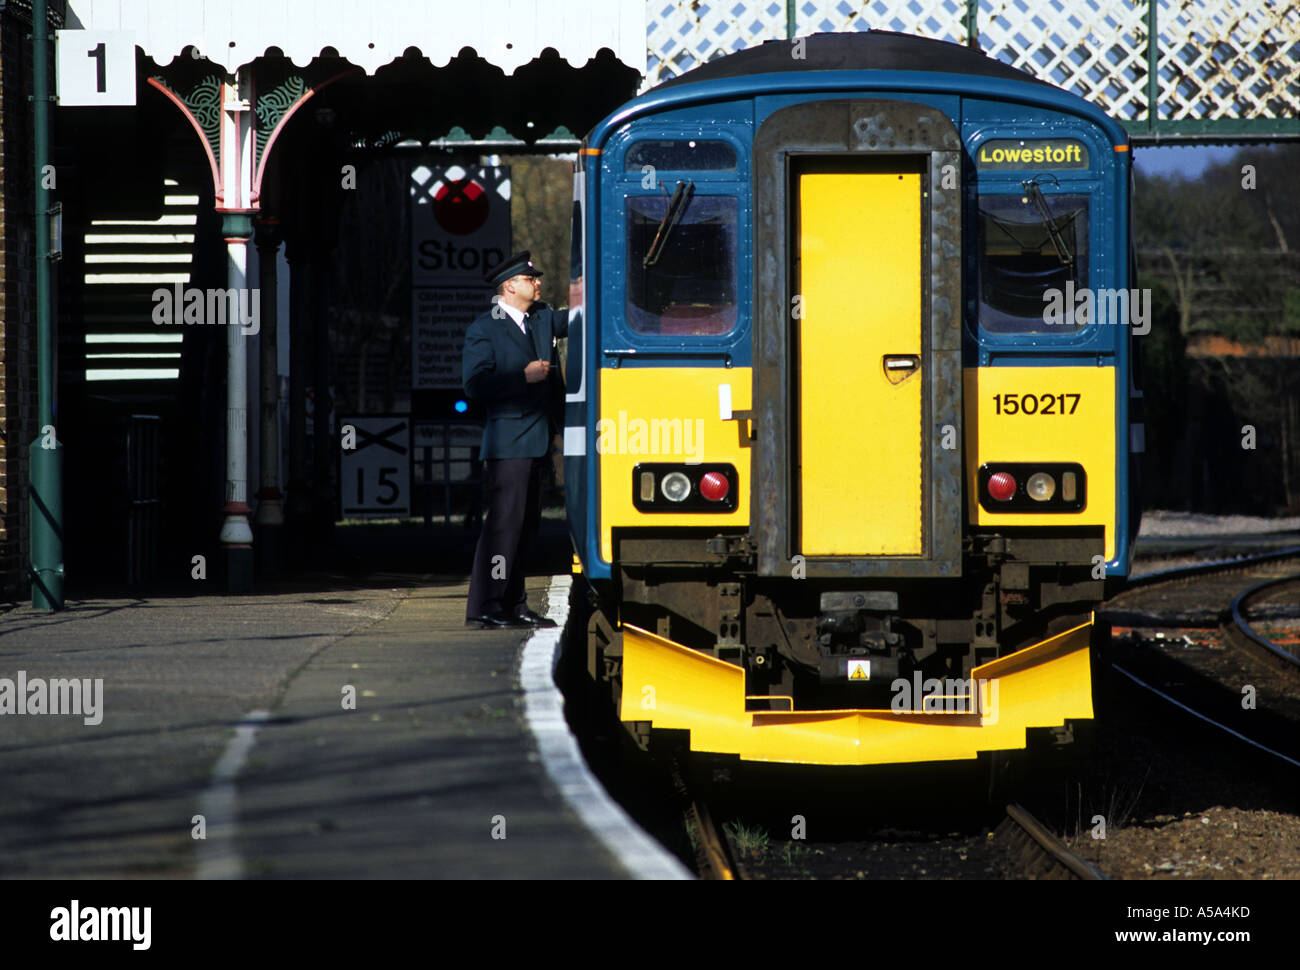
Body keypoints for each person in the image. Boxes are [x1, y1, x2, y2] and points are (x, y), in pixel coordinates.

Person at [462, 251, 566, 628]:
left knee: (525, 529)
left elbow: (581, 319)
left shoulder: (540, 319)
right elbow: (474, 385)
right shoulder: (485, 327)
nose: (538, 282)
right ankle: (486, 606)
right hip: (509, 443)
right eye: (530, 278)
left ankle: (514, 603)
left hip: (537, 440)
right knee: (503, 527)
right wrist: (521, 376)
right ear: (509, 285)